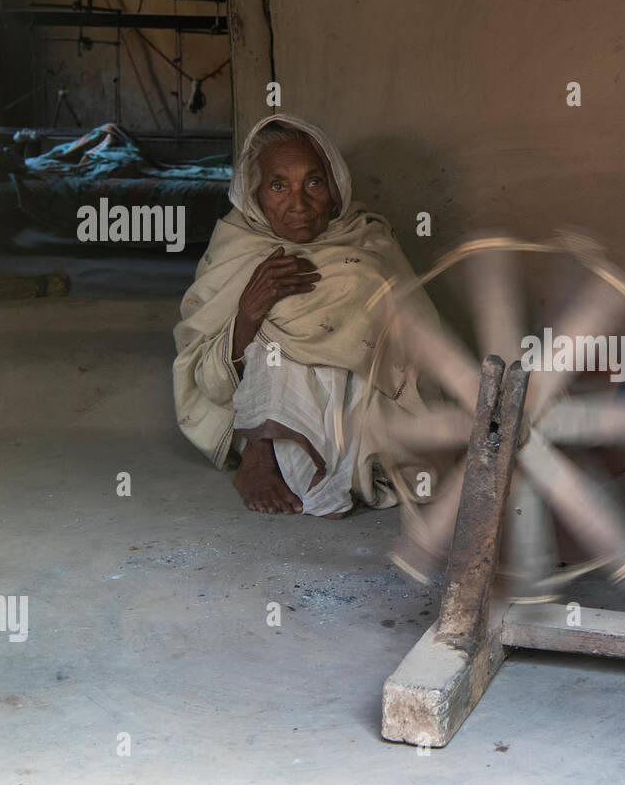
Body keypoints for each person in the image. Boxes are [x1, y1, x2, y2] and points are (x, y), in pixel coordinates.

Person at [172, 113, 437, 517]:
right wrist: (248, 312)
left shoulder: (367, 239)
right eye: (278, 186)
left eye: (313, 183)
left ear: (335, 189)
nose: (298, 204)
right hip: (258, 402)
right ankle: (259, 458)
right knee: (276, 328)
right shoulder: (234, 246)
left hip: (358, 408)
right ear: (254, 195)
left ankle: (342, 457)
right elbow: (204, 375)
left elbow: (413, 341)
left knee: (346, 311)